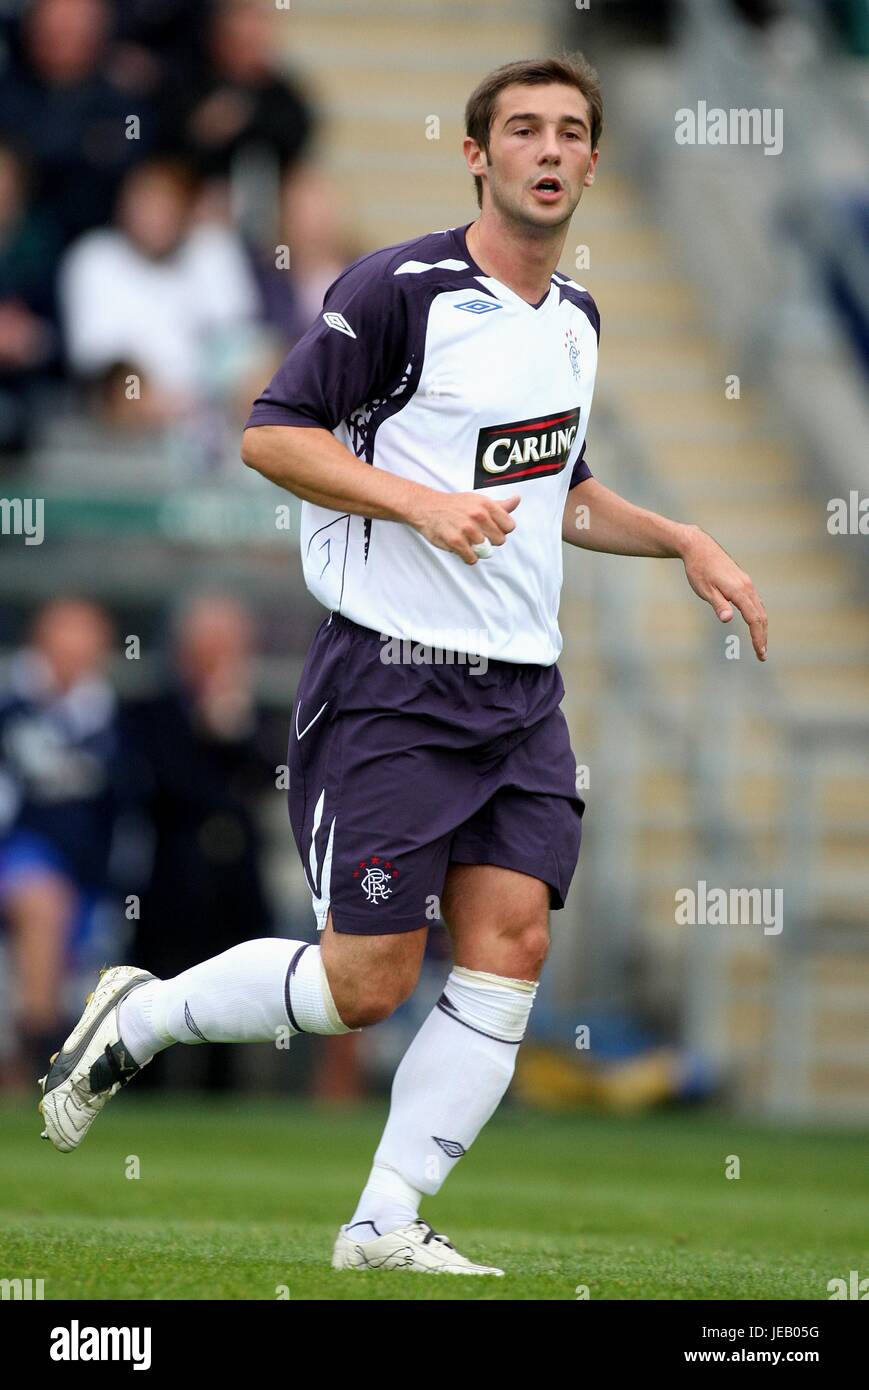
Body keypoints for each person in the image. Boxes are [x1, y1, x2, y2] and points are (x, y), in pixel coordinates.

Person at [38, 54, 768, 1277]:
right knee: (364, 983)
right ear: (476, 155)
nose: (548, 148)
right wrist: (417, 505)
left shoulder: (575, 320)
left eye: (570, 131)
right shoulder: (400, 292)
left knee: (511, 942)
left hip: (522, 694)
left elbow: (558, 495)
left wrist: (681, 538)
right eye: (522, 129)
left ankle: (384, 1216)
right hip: (393, 682)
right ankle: (142, 1013)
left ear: (591, 161)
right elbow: (272, 434)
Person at [0, 600, 118, 1081]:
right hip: (20, 855)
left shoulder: (108, 716)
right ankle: (41, 1048)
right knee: (41, 899)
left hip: (88, 871)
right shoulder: (13, 704)